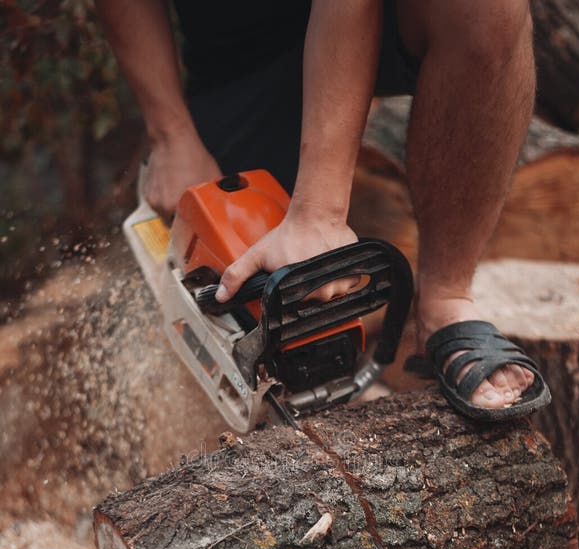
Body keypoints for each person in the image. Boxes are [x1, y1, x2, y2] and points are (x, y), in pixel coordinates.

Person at [95, 0, 550, 421]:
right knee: (229, 291)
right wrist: (171, 135)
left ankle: (446, 302)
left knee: (486, 10)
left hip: (369, 15)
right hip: (234, 61)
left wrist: (318, 215)